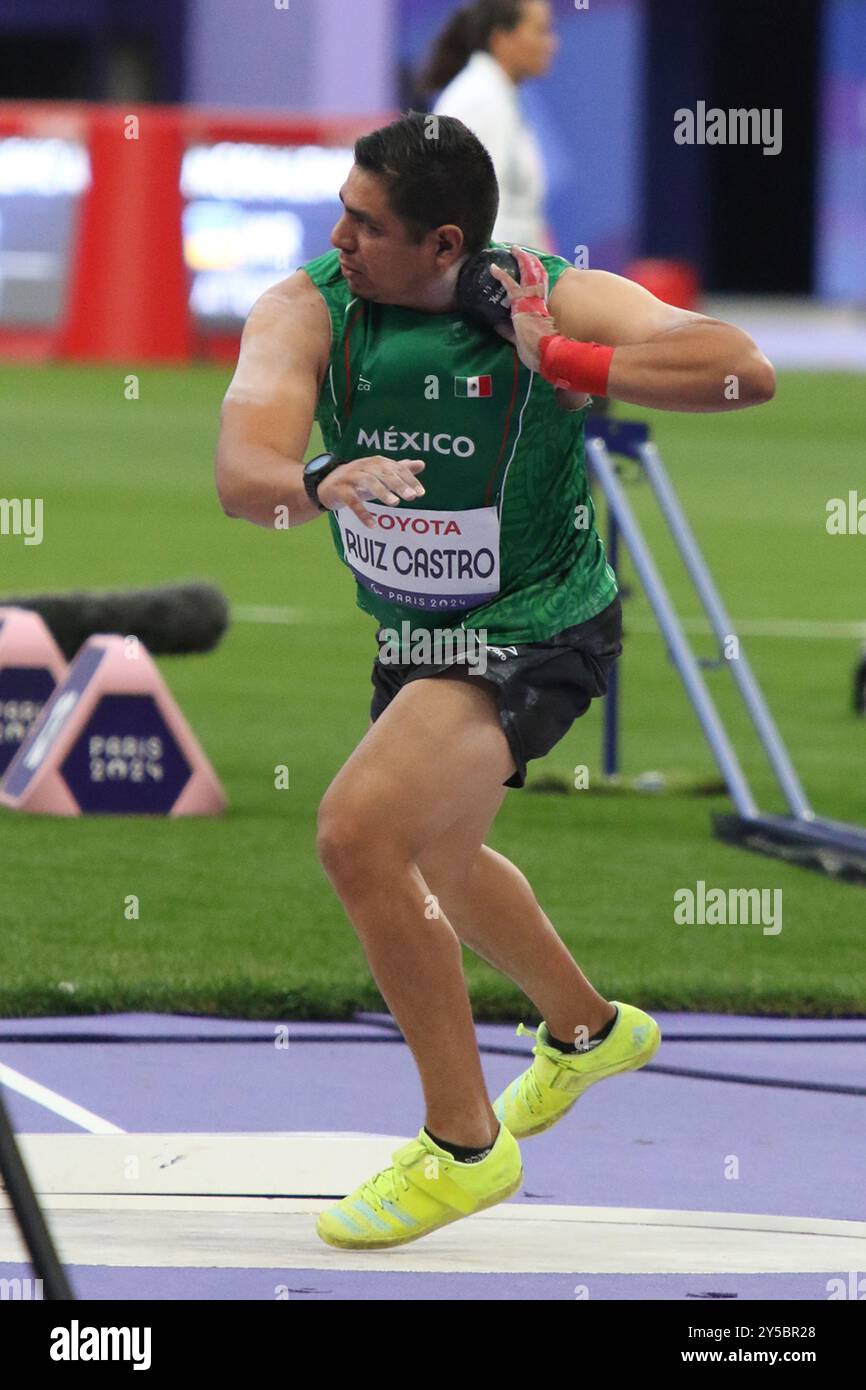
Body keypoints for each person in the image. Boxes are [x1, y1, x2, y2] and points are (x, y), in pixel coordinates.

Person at [215, 112, 776, 1251]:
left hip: (538, 626)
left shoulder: (544, 296)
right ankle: (585, 1029)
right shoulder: (305, 306)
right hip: (416, 635)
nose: (338, 237)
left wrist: (559, 362)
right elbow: (241, 477)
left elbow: (740, 372)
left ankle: (463, 1143)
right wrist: (318, 477)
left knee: (358, 832)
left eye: (365, 225)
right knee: (440, 859)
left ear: (443, 243)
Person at [421, 0, 557, 250]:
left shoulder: (497, 95)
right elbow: (479, 210)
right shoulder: (481, 100)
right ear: (500, 39)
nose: (552, 44)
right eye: (541, 31)